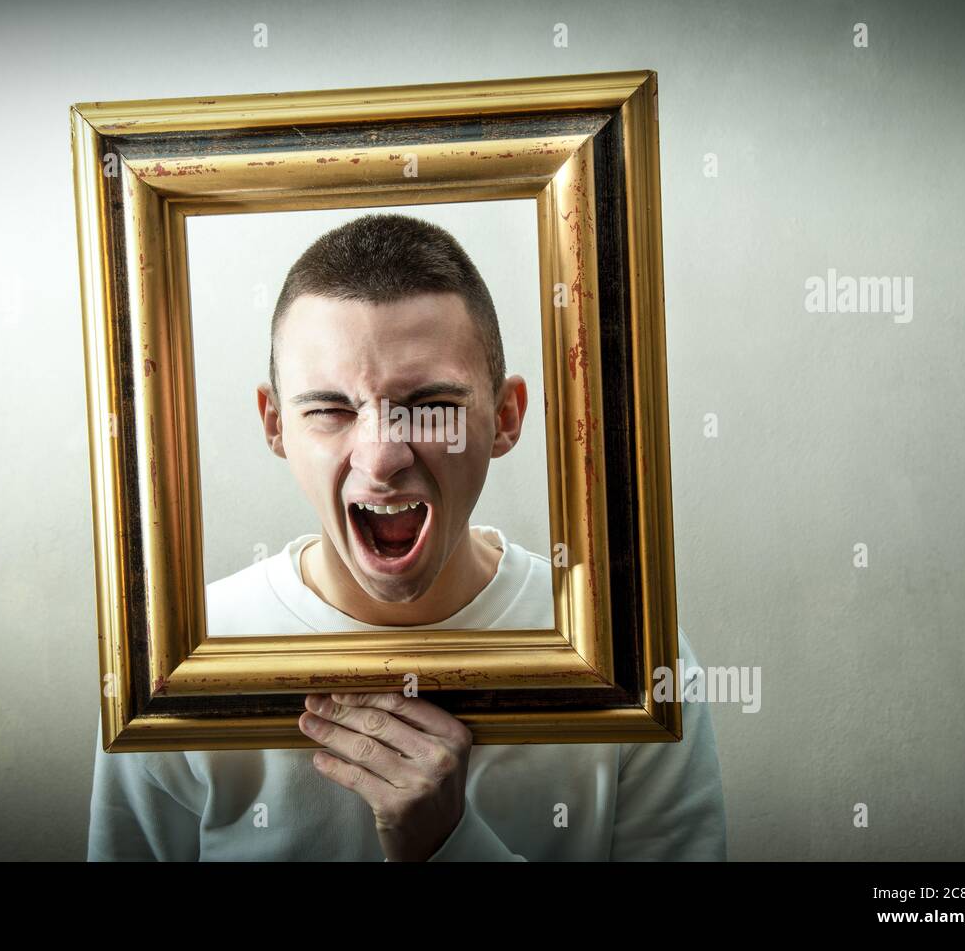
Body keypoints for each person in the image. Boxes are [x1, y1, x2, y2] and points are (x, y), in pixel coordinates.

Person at [87, 213, 727, 860]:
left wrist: (451, 846)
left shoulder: (631, 655)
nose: (382, 455)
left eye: (429, 405)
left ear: (505, 418)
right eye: (331, 410)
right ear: (275, 424)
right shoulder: (181, 659)